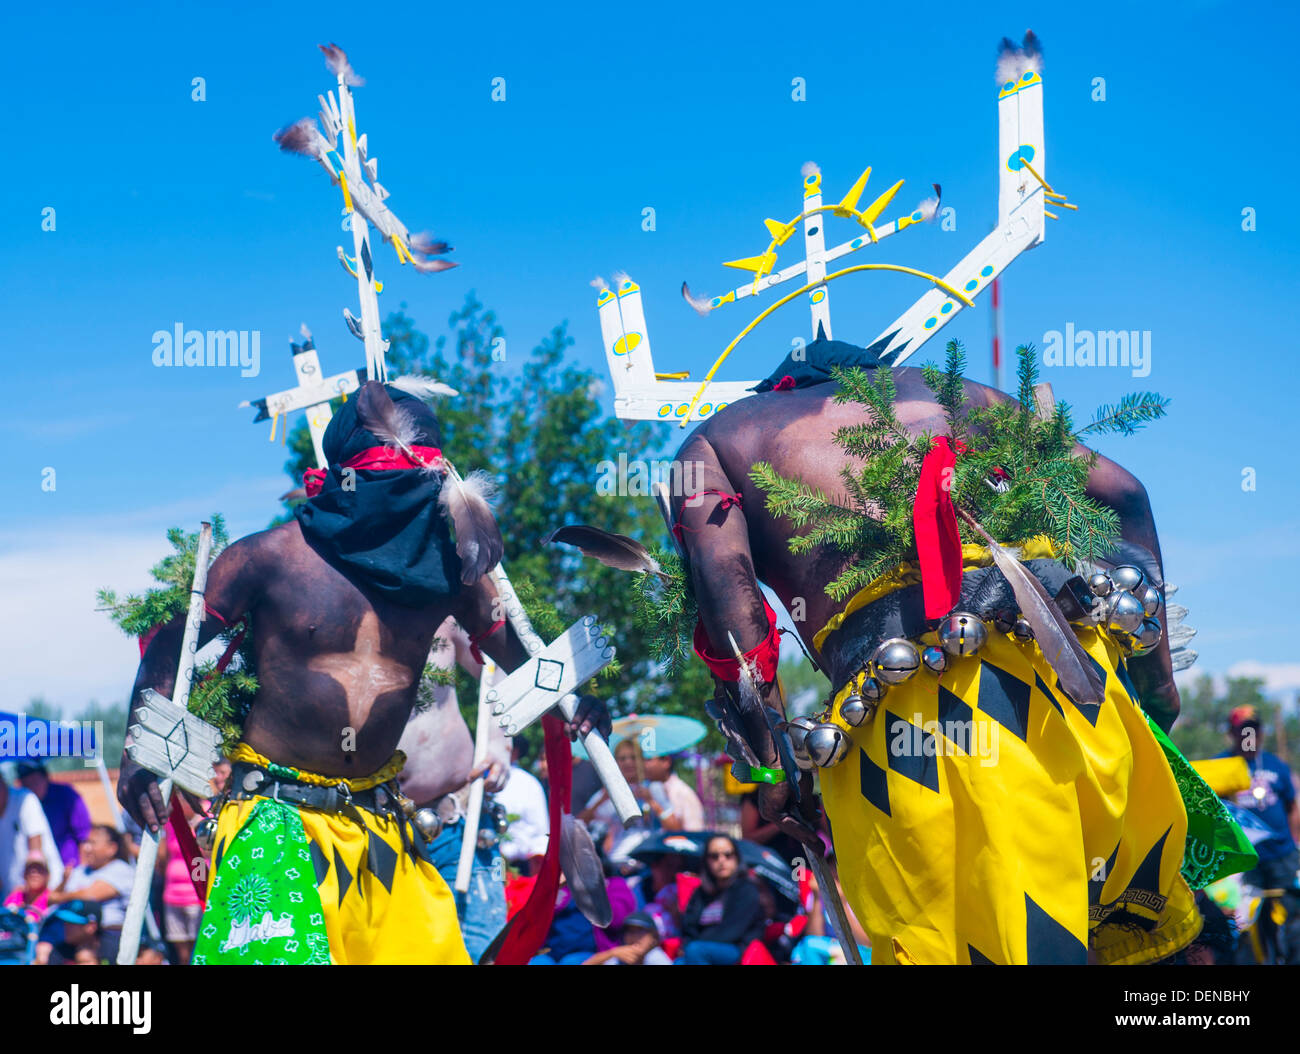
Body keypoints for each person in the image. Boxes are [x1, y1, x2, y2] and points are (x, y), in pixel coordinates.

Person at [666, 335, 1201, 964]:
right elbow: (1126, 494)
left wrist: (771, 768)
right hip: (1070, 690)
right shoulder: (957, 394)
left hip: (909, 739)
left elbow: (732, 601)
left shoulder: (719, 442)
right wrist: (1158, 691)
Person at [117, 381, 608, 965]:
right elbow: (171, 646)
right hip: (276, 822)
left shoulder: (451, 577)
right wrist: (139, 752)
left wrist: (578, 700)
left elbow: (527, 667)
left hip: (382, 831)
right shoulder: (269, 557)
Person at [396, 617, 511, 963]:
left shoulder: (441, 608)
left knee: (477, 952)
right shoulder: (337, 603)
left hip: (457, 826)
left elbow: (498, 668)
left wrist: (498, 742)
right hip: (367, 830)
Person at [1216, 705, 1300, 962]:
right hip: (1242, 863)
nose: (1250, 735)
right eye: (1244, 730)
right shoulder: (1220, 766)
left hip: (1281, 857)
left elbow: (1292, 807)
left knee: (1291, 916)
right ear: (1233, 732)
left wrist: (1295, 842)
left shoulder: (1277, 766)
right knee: (1243, 922)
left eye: (1254, 729)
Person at [46, 825, 135, 964]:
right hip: (76, 932)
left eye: (92, 843)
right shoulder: (81, 870)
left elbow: (90, 895)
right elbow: (50, 898)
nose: (86, 848)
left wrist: (63, 896)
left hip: (110, 935)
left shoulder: (121, 870)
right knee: (54, 954)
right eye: (86, 842)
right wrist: (63, 882)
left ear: (112, 848)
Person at [678, 835, 765, 965]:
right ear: (706, 861)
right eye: (714, 856)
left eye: (728, 855)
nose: (721, 860)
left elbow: (733, 931)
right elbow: (689, 926)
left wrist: (695, 944)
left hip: (736, 949)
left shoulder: (746, 889)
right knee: (679, 962)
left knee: (695, 951)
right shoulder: (701, 892)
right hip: (702, 949)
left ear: (737, 858)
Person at [16, 762, 92, 872]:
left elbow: (84, 835)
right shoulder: (22, 803)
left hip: (71, 869)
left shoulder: (67, 795)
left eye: (35, 781)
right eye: (27, 784)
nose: (32, 787)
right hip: (39, 874)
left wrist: (82, 870)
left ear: (45, 777)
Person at [0, 772, 63, 899]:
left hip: (43, 893)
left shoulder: (25, 799)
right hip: (12, 898)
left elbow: (36, 849)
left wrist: (30, 890)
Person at [495, 738, 550, 872]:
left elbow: (540, 832)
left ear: (514, 751)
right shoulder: (482, 778)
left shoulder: (527, 783)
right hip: (487, 862)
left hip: (516, 866)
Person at [584, 909, 672, 965]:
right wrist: (611, 953)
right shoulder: (619, 959)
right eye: (630, 931)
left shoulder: (655, 956)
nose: (635, 936)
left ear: (654, 937)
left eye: (641, 931)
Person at [645, 754, 705, 831]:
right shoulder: (649, 789)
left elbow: (693, 832)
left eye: (648, 759)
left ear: (666, 761)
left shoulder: (682, 792)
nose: (644, 764)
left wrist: (652, 802)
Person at [3, 859, 51, 923]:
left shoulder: (50, 897)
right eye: (31, 871)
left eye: (40, 871)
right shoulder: (16, 895)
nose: (34, 874)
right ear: (24, 874)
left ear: (47, 876)